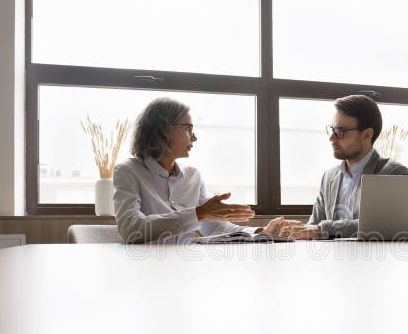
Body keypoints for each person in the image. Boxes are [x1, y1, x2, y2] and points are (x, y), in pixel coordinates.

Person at [113, 97, 301, 243]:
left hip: (192, 267)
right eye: (188, 129)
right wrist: (199, 213)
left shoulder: (193, 176)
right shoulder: (128, 172)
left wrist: (260, 232)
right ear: (164, 130)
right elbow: (131, 229)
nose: (194, 138)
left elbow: (213, 225)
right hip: (144, 269)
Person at [279, 94, 408, 240]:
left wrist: (323, 229)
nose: (332, 138)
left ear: (367, 134)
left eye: (341, 132)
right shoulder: (329, 177)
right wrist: (293, 232)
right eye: (332, 130)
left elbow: (387, 225)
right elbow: (314, 226)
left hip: (373, 260)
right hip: (330, 260)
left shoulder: (394, 174)